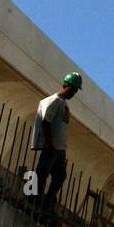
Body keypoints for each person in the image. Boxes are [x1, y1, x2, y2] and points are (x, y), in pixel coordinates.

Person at [31, 71, 82, 213]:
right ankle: (35, 199)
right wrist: (50, 143)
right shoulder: (55, 101)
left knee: (60, 176)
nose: (74, 93)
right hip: (52, 146)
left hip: (59, 148)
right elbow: (46, 123)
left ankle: (48, 200)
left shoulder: (64, 104)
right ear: (67, 86)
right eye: (73, 89)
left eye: (76, 91)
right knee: (42, 172)